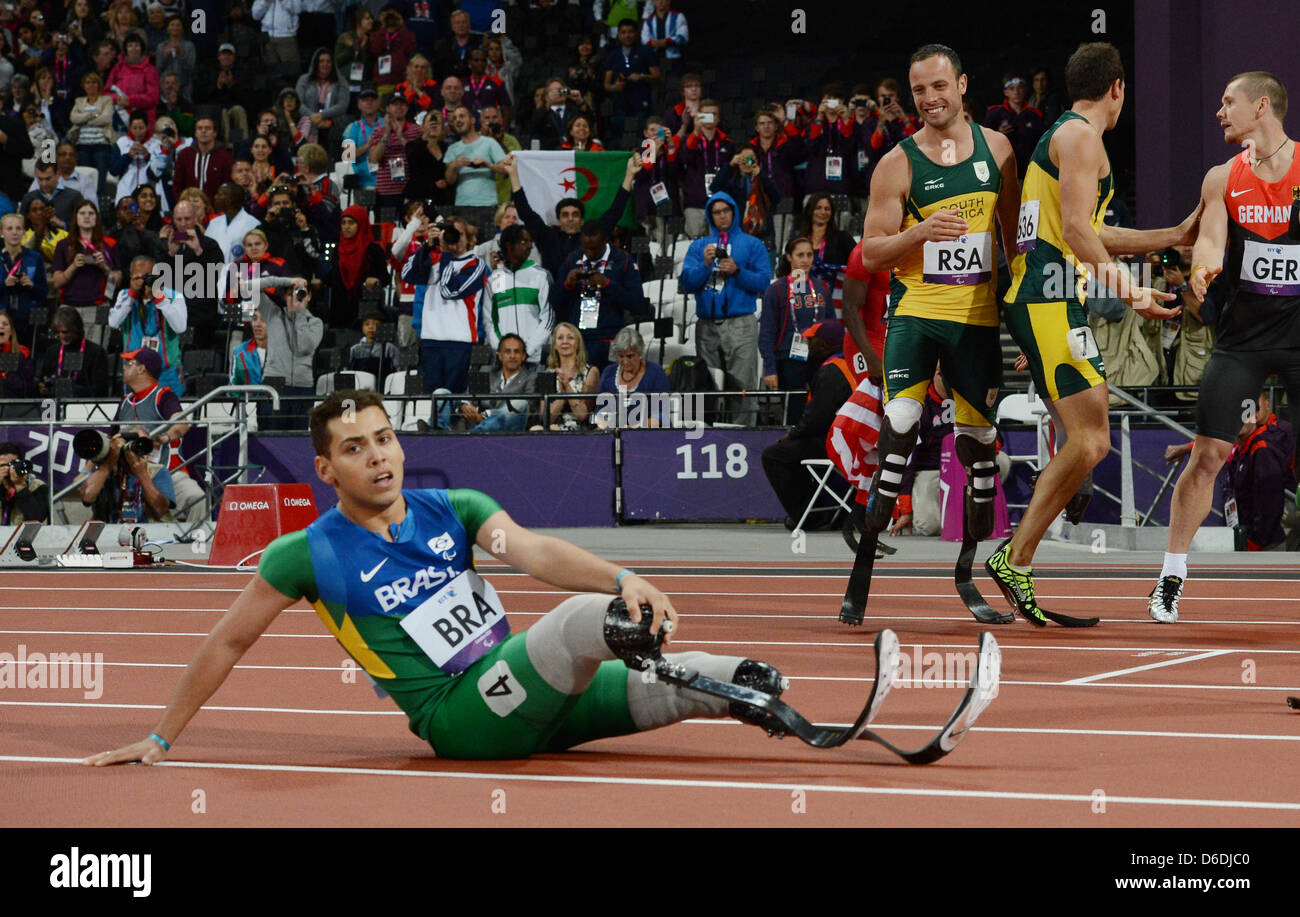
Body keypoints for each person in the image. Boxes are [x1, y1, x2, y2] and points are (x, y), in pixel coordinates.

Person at [84, 389, 793, 767]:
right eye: (355, 449)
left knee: (693, 678)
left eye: (385, 438)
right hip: (461, 719)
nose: (379, 458)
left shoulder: (455, 508)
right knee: (585, 622)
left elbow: (531, 551)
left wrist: (625, 573)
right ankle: (625, 638)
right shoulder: (305, 553)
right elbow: (227, 642)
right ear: (327, 469)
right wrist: (162, 737)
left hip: (529, 696)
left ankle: (765, 696)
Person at [993, 42, 1198, 623]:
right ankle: (1017, 555)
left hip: (1047, 301)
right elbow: (1082, 235)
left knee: (1090, 440)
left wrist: (1172, 235)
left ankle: (1020, 553)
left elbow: (1090, 231)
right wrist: (1131, 292)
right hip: (1049, 300)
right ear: (1118, 88)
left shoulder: (1065, 134)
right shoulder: (1084, 138)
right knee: (1090, 441)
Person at [855, 44, 1020, 605]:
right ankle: (870, 539)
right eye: (919, 90)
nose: (928, 99)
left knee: (979, 446)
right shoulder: (897, 162)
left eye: (938, 87)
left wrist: (1026, 326)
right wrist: (918, 234)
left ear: (963, 84)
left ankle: (968, 569)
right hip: (917, 315)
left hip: (976, 324)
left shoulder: (998, 150)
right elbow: (872, 254)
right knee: (900, 420)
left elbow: (1016, 244)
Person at [1149, 71, 1299, 622]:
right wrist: (1206, 265)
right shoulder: (1222, 178)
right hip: (1245, 338)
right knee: (1209, 453)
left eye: (1228, 102)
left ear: (1262, 105)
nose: (1219, 112)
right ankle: (1170, 577)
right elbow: (1211, 236)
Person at [680, 191, 770, 425]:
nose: (722, 216)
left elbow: (762, 283)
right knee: (707, 385)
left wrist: (737, 271)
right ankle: (708, 433)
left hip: (741, 323)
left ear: (734, 211)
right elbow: (686, 283)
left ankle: (743, 435)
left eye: (726, 210)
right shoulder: (699, 246)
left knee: (742, 385)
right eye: (716, 212)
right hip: (707, 325)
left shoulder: (752, 244)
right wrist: (704, 264)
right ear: (710, 216)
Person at [760, 320, 855, 529]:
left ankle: (809, 514)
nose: (808, 344)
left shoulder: (830, 372)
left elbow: (817, 419)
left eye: (812, 340)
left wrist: (793, 433)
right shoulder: (852, 363)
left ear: (824, 345)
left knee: (774, 455)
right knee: (797, 452)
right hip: (857, 438)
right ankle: (829, 508)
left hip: (839, 443)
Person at [77, 347, 178, 524]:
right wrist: (89, 468)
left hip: (155, 466)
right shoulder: (125, 400)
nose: (123, 367)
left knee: (194, 497)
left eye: (128, 363)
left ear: (141, 369)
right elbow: (110, 439)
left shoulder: (163, 396)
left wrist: (165, 437)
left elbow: (181, 422)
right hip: (121, 467)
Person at [502, 151, 633, 282]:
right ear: (558, 221)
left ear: (582, 221)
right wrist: (513, 174)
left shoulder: (591, 237)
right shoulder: (547, 236)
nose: (570, 218)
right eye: (565, 215)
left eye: (575, 215)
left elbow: (614, 213)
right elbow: (526, 212)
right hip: (554, 295)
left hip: (585, 292)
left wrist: (629, 175)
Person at [404, 218, 487, 395]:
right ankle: (435, 424)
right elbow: (408, 275)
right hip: (431, 338)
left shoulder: (476, 264)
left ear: (470, 239)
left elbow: (449, 291)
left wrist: (445, 254)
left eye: (459, 234)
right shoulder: (434, 259)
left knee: (452, 396)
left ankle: (445, 424)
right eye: (449, 233)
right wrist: (427, 246)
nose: (453, 238)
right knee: (431, 395)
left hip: (459, 340)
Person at [553, 220, 647, 370]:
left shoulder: (623, 260)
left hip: (609, 339)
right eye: (586, 248)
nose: (590, 253)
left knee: (605, 388)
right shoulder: (572, 259)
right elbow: (555, 303)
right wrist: (568, 285)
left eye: (595, 248)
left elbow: (637, 304)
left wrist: (607, 284)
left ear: (606, 241)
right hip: (578, 340)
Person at [760, 236, 832, 425]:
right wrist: (769, 368)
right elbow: (766, 332)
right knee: (795, 412)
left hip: (818, 357)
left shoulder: (821, 286)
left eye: (809, 255)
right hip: (789, 359)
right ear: (789, 257)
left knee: (821, 410)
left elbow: (831, 324)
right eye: (800, 255)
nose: (805, 260)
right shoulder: (776, 289)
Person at [108, 253, 187, 395]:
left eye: (148, 276)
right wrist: (132, 294)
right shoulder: (125, 296)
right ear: (131, 278)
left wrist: (159, 299)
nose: (143, 281)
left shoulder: (174, 296)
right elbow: (113, 323)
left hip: (166, 373)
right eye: (138, 277)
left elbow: (180, 327)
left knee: (172, 414)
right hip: (134, 373)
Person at [484, 224, 551, 364]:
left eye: (530, 242)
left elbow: (548, 319)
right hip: (504, 362)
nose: (529, 246)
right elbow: (490, 322)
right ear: (509, 245)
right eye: (523, 241)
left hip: (534, 360)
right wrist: (504, 350)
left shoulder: (541, 275)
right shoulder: (495, 279)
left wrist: (527, 351)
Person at [444, 104, 509, 237]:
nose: (458, 120)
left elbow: (505, 169)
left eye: (462, 116)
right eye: (455, 118)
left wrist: (488, 165)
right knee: (465, 247)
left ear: (473, 120)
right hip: (462, 206)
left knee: (488, 247)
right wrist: (454, 165)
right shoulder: (452, 149)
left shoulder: (489, 143)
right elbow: (449, 180)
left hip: (488, 205)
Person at [453, 333, 539, 432]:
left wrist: (486, 416)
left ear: (523, 356)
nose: (512, 356)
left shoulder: (531, 377)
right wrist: (466, 406)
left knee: (520, 403)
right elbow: (469, 396)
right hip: (475, 422)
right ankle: (438, 433)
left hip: (509, 431)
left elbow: (530, 408)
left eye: (517, 352)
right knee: (441, 393)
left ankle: (476, 434)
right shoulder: (486, 371)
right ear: (500, 356)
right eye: (507, 352)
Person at [325, 204, 389, 330]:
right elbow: (333, 277)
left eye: (351, 223)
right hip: (339, 313)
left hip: (366, 315)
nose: (346, 227)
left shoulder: (373, 250)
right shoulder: (338, 249)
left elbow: (385, 278)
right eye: (343, 223)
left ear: (361, 224)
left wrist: (376, 280)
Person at [596, 325, 671, 428]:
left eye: (630, 356)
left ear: (639, 353)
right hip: (614, 432)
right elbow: (601, 410)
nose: (625, 361)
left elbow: (662, 414)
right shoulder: (609, 372)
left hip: (648, 433)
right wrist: (604, 424)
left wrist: (637, 428)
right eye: (621, 356)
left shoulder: (656, 373)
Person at [679, 99, 733, 238]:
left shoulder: (727, 142)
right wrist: (696, 131)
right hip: (695, 202)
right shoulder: (688, 140)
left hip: (720, 203)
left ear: (718, 118)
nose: (710, 118)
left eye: (713, 114)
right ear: (698, 117)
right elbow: (685, 158)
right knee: (695, 242)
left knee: (720, 243)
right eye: (705, 115)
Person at [52, 200, 117, 308]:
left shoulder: (109, 243)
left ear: (96, 217)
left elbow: (117, 281)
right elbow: (56, 283)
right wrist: (73, 266)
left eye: (91, 213)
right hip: (68, 305)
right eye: (82, 213)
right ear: (76, 217)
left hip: (99, 305)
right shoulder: (63, 244)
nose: (87, 216)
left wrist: (104, 266)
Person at [536, 322, 600, 430]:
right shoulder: (546, 375)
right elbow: (545, 419)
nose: (565, 341)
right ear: (555, 345)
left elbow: (583, 415)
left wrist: (568, 387)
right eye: (560, 338)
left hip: (581, 431)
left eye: (570, 338)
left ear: (578, 343)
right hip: (553, 430)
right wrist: (563, 394)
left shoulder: (591, 372)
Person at [602, 18, 659, 137]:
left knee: (641, 134)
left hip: (641, 103)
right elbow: (606, 85)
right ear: (618, 35)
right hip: (620, 105)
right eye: (623, 32)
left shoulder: (646, 51)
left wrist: (642, 77)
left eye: (630, 31)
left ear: (636, 33)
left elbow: (657, 76)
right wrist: (615, 87)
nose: (627, 35)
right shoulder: (613, 55)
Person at [368, 92, 422, 217]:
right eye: (395, 104)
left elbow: (419, 156)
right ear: (388, 108)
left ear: (407, 108)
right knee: (386, 229)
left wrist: (400, 137)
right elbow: (374, 159)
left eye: (402, 104)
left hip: (410, 190)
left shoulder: (416, 130)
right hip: (386, 191)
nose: (399, 107)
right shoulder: (379, 132)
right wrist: (386, 134)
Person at [983, 73, 1046, 178]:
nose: (1016, 92)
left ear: (1025, 89)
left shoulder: (1035, 115)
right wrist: (998, 134)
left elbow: (1042, 146)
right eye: (1012, 88)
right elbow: (982, 142)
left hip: (1029, 174)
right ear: (1005, 92)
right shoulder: (994, 114)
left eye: (1020, 87)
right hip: (1001, 172)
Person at [37, 305, 109, 397]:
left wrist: (72, 390)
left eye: (65, 332)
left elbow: (101, 390)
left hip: (83, 405)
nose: (61, 336)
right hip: (53, 404)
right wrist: (43, 386)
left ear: (76, 329)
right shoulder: (52, 351)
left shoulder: (96, 352)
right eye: (57, 332)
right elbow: (42, 378)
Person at [0, 214, 46, 343]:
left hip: (28, 319)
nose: (14, 232)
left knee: (24, 358)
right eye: (9, 228)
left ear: (24, 232)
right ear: (1, 232)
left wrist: (31, 285)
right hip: (2, 319)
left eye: (18, 228)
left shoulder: (35, 257)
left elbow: (44, 293)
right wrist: (4, 285)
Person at [172, 117, 232, 201]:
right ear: (195, 133)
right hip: (188, 207)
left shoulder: (225, 157)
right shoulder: (184, 155)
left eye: (208, 128)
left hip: (216, 209)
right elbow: (177, 185)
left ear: (215, 133)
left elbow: (227, 185)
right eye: (200, 128)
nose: (203, 131)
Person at [206, 182, 260, 263]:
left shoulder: (253, 224)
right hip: (213, 273)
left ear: (229, 200)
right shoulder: (214, 223)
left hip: (242, 273)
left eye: (219, 194)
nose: (215, 197)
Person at [346, 309, 401, 388]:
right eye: (367, 324)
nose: (371, 327)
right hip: (360, 387)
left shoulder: (389, 348)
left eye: (375, 324)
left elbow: (398, 370)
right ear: (362, 327)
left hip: (383, 387)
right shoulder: (355, 349)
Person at [22, 160, 82, 231]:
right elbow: (21, 226)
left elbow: (83, 226)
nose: (44, 184)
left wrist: (63, 225)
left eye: (48, 179)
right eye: (40, 179)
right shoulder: (28, 198)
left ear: (58, 174)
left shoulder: (74, 197)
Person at [0, 440, 48, 523]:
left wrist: (20, 486)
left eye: (12, 465)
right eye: (3, 465)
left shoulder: (37, 486)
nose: (8, 469)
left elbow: (38, 519)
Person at [641, 0, 688, 74]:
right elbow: (644, 39)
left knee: (673, 82)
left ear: (668, 1)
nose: (660, 2)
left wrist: (666, 41)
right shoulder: (648, 21)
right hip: (654, 59)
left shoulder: (678, 16)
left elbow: (683, 36)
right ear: (654, 2)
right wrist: (653, 43)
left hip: (674, 58)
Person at [0, 310, 37, 399]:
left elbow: (29, 388)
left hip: (15, 407)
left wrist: (8, 377)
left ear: (11, 331)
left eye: (5, 324)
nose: (1, 326)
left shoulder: (22, 353)